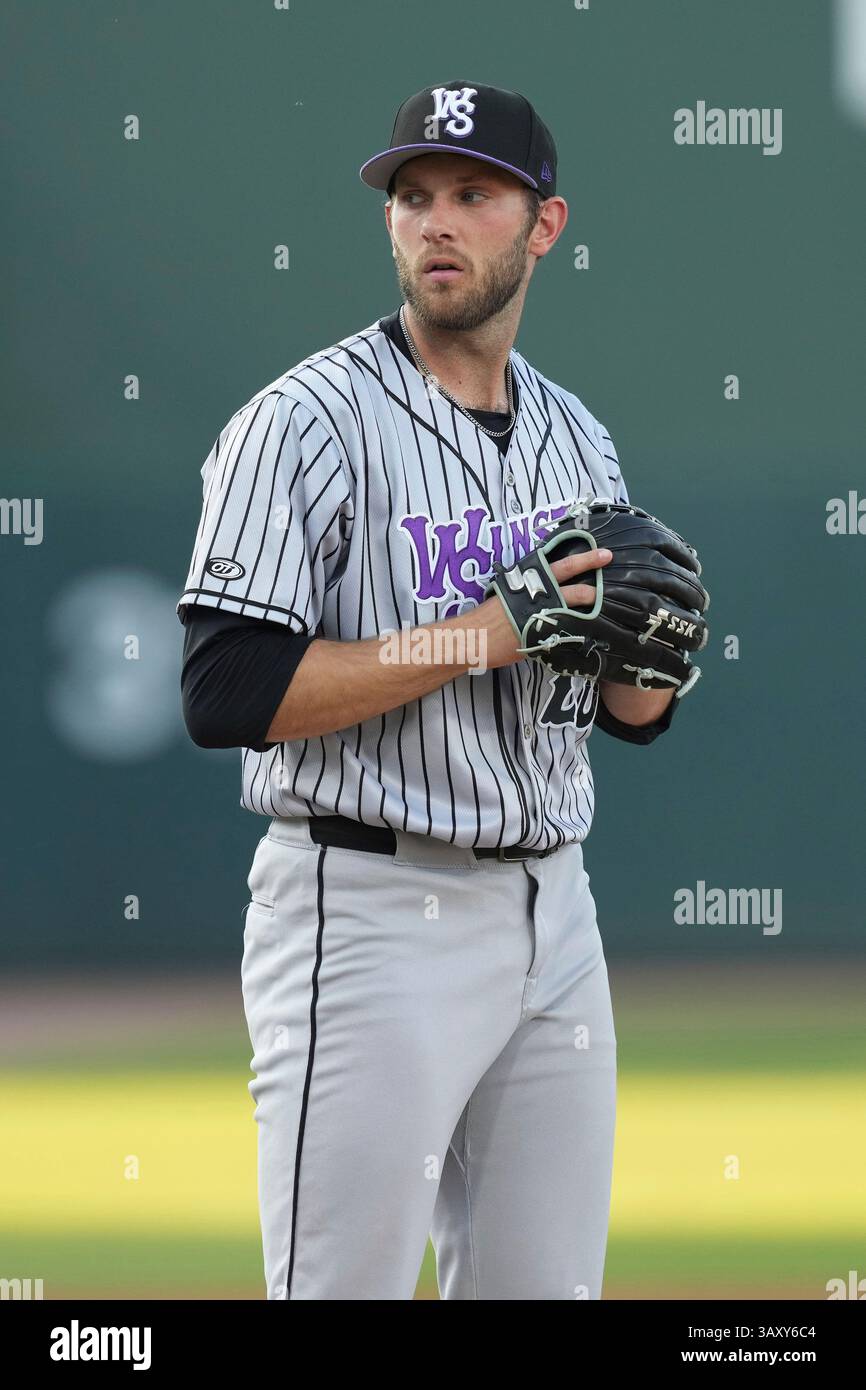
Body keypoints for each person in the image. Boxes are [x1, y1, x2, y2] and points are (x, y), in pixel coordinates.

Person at [178, 80, 681, 1301]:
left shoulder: (578, 441)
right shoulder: (299, 424)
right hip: (363, 909)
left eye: (471, 195)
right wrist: (484, 634)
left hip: (552, 913)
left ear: (543, 226)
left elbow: (625, 714)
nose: (435, 223)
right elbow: (224, 691)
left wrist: (648, 666)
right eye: (412, 198)